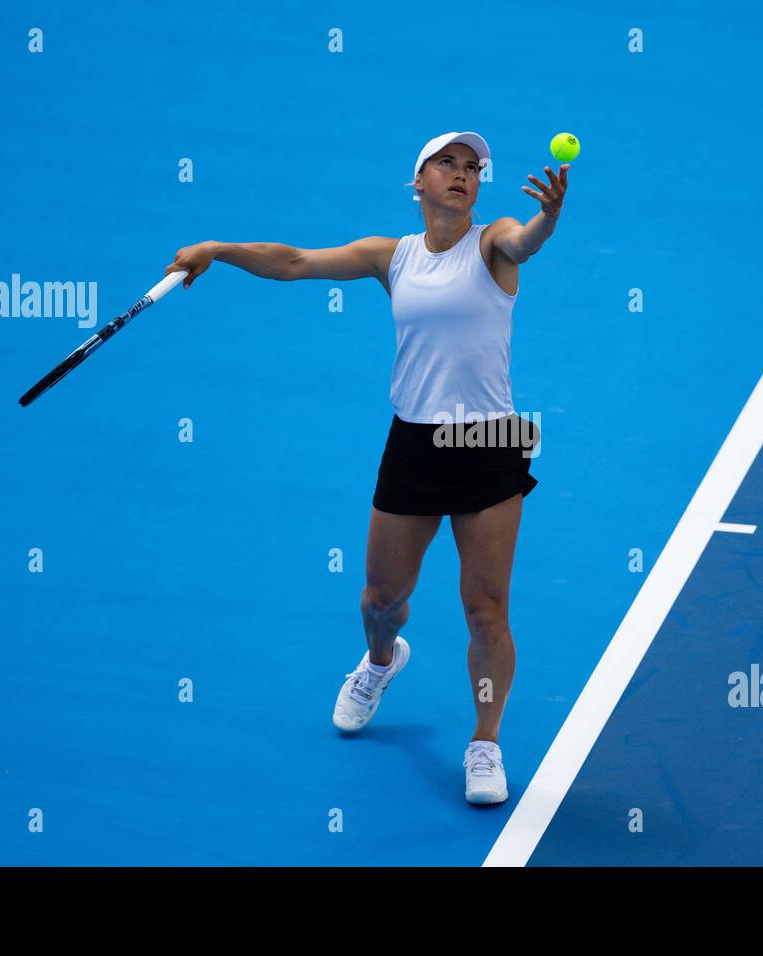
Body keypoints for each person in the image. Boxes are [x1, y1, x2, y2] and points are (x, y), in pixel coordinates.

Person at [165, 131, 569, 805]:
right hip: (413, 444)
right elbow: (294, 262)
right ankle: (381, 662)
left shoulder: (494, 240)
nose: (462, 174)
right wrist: (217, 250)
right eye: (448, 163)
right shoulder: (392, 257)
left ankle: (485, 741)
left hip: (488, 444)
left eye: (473, 167)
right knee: (381, 601)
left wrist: (548, 218)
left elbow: (523, 242)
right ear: (418, 182)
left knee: (486, 611)